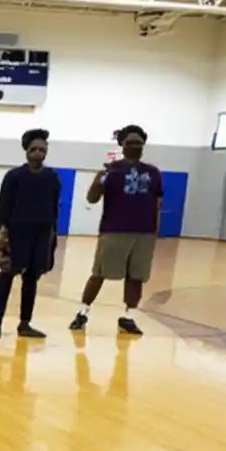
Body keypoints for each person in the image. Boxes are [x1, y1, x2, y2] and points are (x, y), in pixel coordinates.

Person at [69, 125, 162, 336]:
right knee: (99, 273)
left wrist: (155, 231)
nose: (136, 146)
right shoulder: (111, 171)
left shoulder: (153, 172)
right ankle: (82, 313)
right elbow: (92, 198)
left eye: (139, 143)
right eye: (131, 143)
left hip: (144, 233)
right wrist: (99, 180)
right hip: (114, 230)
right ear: (122, 145)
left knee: (136, 276)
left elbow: (157, 202)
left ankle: (128, 317)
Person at [0, 128, 62, 339]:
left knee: (31, 279)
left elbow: (54, 208)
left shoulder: (52, 177)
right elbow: (4, 207)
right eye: (34, 149)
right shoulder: (14, 177)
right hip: (16, 233)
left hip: (42, 234)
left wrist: (52, 237)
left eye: (42, 149)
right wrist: (3, 235)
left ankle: (24, 323)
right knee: (7, 275)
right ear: (26, 151)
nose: (38, 153)